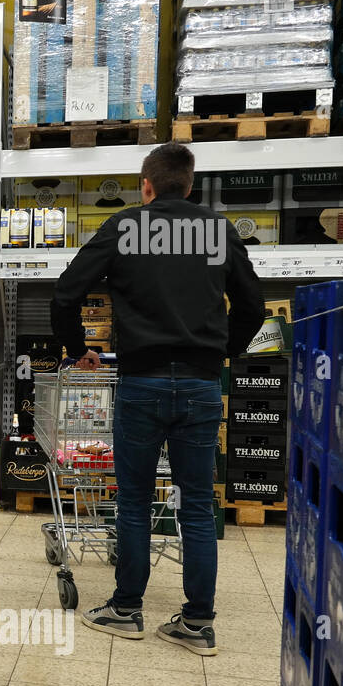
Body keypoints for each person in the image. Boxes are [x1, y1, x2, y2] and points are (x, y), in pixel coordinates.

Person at [50, 142, 266, 656]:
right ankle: (198, 622)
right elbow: (254, 307)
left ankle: (126, 609)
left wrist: (79, 350)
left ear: (146, 186)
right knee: (195, 505)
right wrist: (222, 352)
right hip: (200, 383)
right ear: (190, 187)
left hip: (142, 383)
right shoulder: (218, 231)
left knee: (133, 502)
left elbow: (65, 293)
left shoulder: (125, 227)